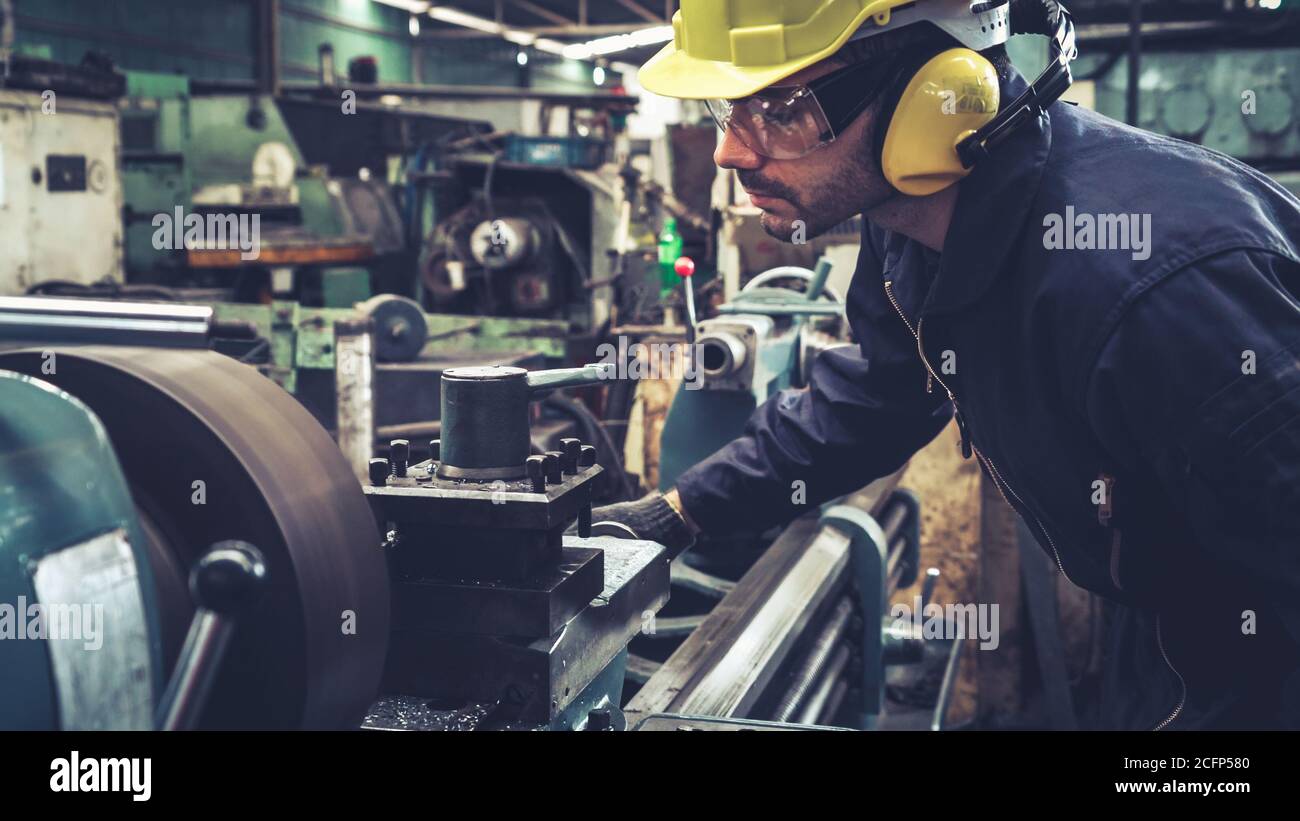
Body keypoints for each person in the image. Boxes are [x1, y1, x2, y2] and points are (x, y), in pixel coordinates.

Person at [591, 0, 1300, 729]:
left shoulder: (1157, 292)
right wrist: (678, 512)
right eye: (725, 108)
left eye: (780, 107)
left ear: (936, 95)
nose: (730, 153)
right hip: (1159, 626)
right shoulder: (911, 223)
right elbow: (883, 392)